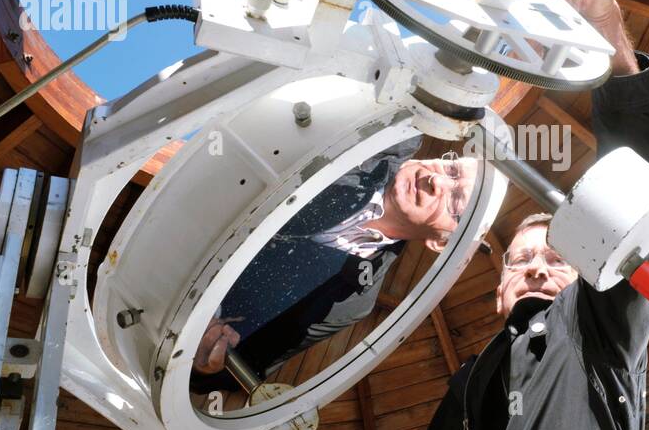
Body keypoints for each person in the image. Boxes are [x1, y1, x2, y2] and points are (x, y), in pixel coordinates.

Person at [322, 0, 649, 430]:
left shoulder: (594, 330)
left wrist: (605, 35)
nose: (540, 268)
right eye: (521, 260)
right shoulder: (463, 393)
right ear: (496, 290)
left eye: (560, 258)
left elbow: (640, 223)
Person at [191, 142, 478, 394]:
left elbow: (242, 371)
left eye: (455, 201)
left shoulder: (352, 303)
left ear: (441, 242)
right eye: (451, 168)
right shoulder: (376, 135)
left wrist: (206, 366)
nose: (438, 181)